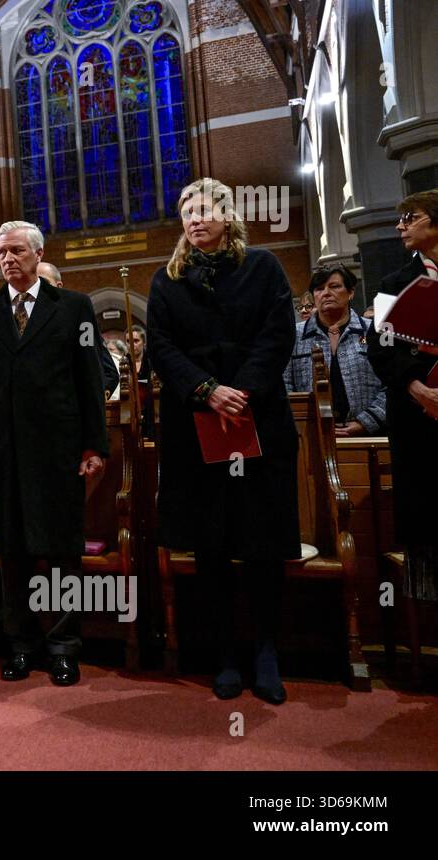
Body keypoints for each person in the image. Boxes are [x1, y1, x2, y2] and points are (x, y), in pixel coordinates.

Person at [148, 178, 299, 705]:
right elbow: (161, 349)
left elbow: (279, 334)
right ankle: (225, 655)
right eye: (187, 210)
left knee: (260, 544)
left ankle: (266, 651)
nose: (195, 218)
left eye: (205, 208)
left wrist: (244, 390)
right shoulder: (167, 280)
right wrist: (207, 390)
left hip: (257, 423)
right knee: (210, 546)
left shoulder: (262, 267)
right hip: (196, 427)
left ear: (227, 214)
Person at [0, 221, 108, 687]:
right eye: (1, 252)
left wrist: (94, 446)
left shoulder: (75, 308)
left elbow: (90, 382)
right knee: (13, 553)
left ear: (38, 253)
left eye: (17, 251)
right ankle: (21, 645)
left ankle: (64, 648)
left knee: (63, 552)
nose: (8, 259)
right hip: (3, 454)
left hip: (59, 450)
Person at [367, 190, 438, 605]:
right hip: (417, 417)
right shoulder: (393, 283)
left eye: (410, 217)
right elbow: (381, 348)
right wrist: (418, 389)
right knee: (428, 529)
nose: (400, 225)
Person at [283, 264, 386, 436]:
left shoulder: (376, 331)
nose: (326, 293)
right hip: (311, 435)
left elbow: (392, 383)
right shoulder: (294, 335)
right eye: (319, 288)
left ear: (351, 292)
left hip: (370, 435)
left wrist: (366, 421)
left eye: (334, 286)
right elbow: (284, 385)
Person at [38, 261, 120, 396]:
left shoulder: (79, 319)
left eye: (45, 282)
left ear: (59, 286)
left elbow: (107, 371)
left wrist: (98, 395)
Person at [128, 325, 155, 436]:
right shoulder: (124, 363)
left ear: (143, 343)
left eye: (136, 341)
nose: (132, 345)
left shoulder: (152, 361)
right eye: (128, 341)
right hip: (131, 411)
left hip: (151, 409)